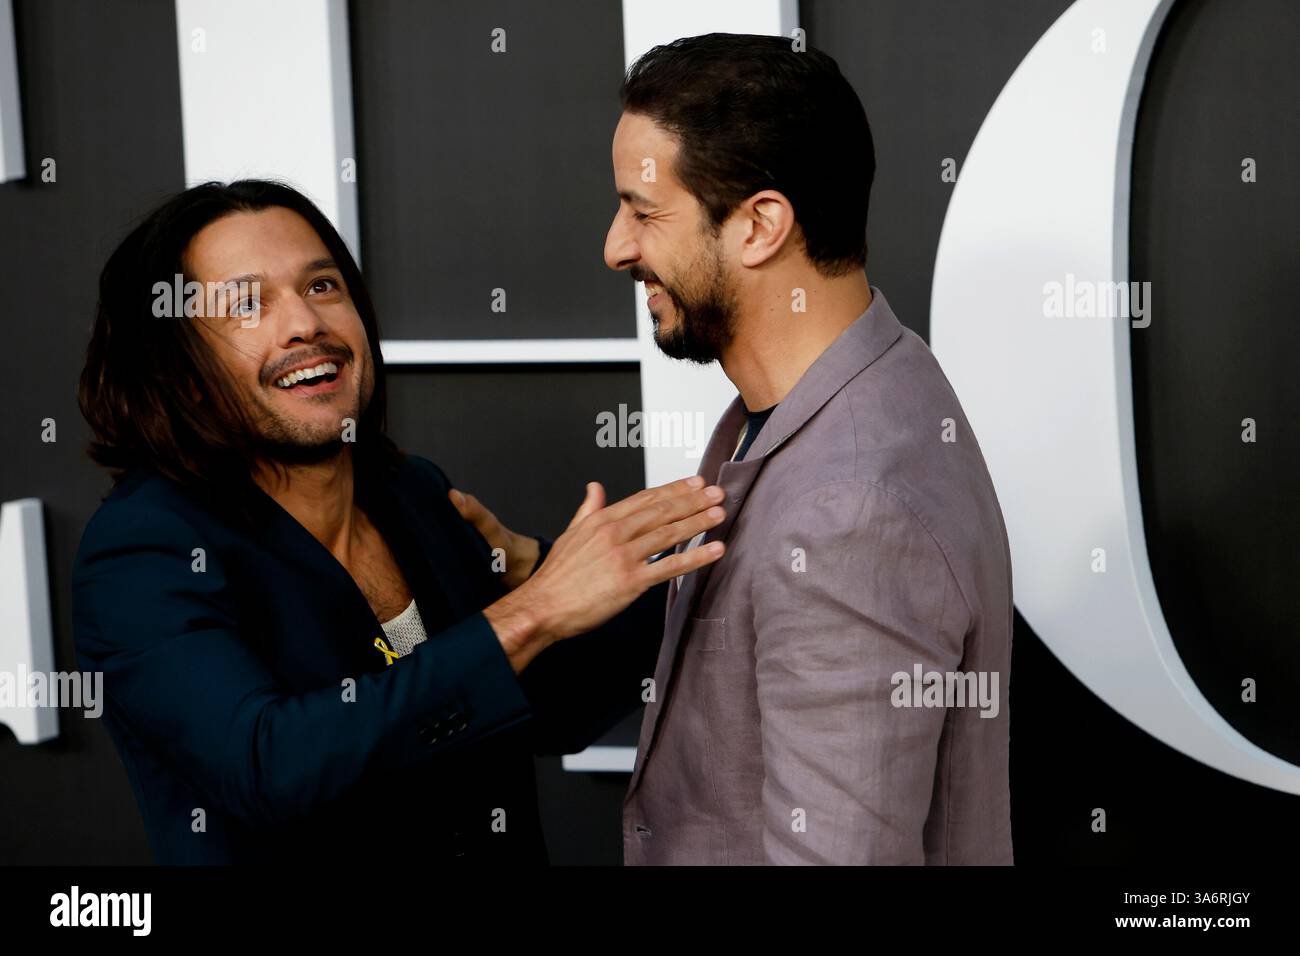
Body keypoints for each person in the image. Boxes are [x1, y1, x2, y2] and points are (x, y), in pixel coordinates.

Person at [72, 179, 726, 864]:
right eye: (245, 303)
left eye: (322, 287)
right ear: (180, 371)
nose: (303, 324)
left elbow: (542, 704)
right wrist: (533, 610)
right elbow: (266, 766)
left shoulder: (410, 493)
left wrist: (710, 573)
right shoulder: (143, 549)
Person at [602, 34, 1014, 865]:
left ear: (760, 225)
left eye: (644, 211)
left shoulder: (850, 508)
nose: (616, 247)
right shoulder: (846, 391)